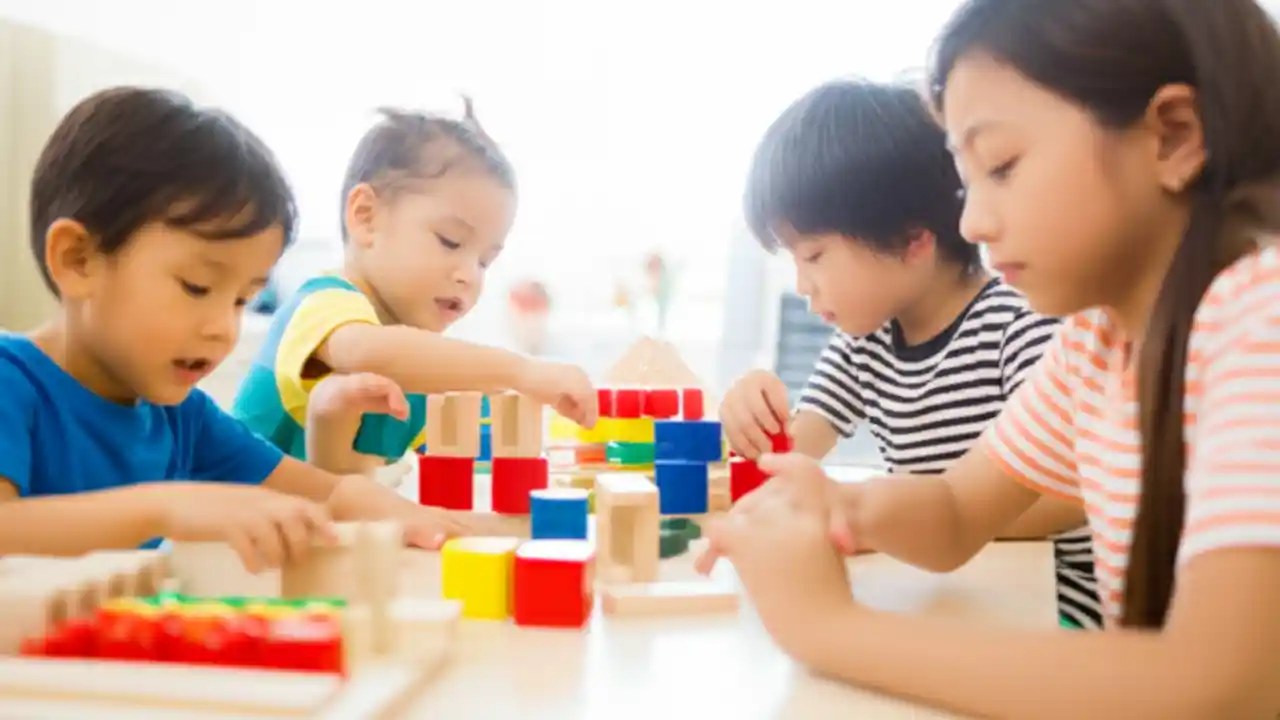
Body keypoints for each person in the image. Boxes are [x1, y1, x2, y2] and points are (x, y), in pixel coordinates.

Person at [701, 0, 1280, 715]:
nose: (971, 222)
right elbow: (953, 513)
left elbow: (1215, 685)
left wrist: (829, 629)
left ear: (1172, 136)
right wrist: (842, 504)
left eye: (1001, 166)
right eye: (966, 181)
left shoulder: (1259, 317)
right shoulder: (1092, 344)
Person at [0, 87, 463, 572]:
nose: (224, 328)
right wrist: (165, 507)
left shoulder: (184, 417)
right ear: (79, 259)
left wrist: (435, 525)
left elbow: (332, 495)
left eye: (243, 299)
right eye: (197, 287)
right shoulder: (12, 383)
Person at [719, 78, 1102, 628]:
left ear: (912, 240)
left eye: (816, 255)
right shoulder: (864, 343)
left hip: (1052, 606)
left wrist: (898, 522)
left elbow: (1071, 494)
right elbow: (791, 457)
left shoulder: (1017, 324)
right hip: (944, 586)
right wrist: (752, 419)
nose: (804, 285)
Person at [231, 102, 597, 474]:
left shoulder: (422, 366)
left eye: (485, 261)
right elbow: (366, 353)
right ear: (366, 217)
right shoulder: (324, 305)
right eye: (450, 242)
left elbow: (480, 430)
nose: (469, 275)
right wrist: (522, 371)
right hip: (223, 524)